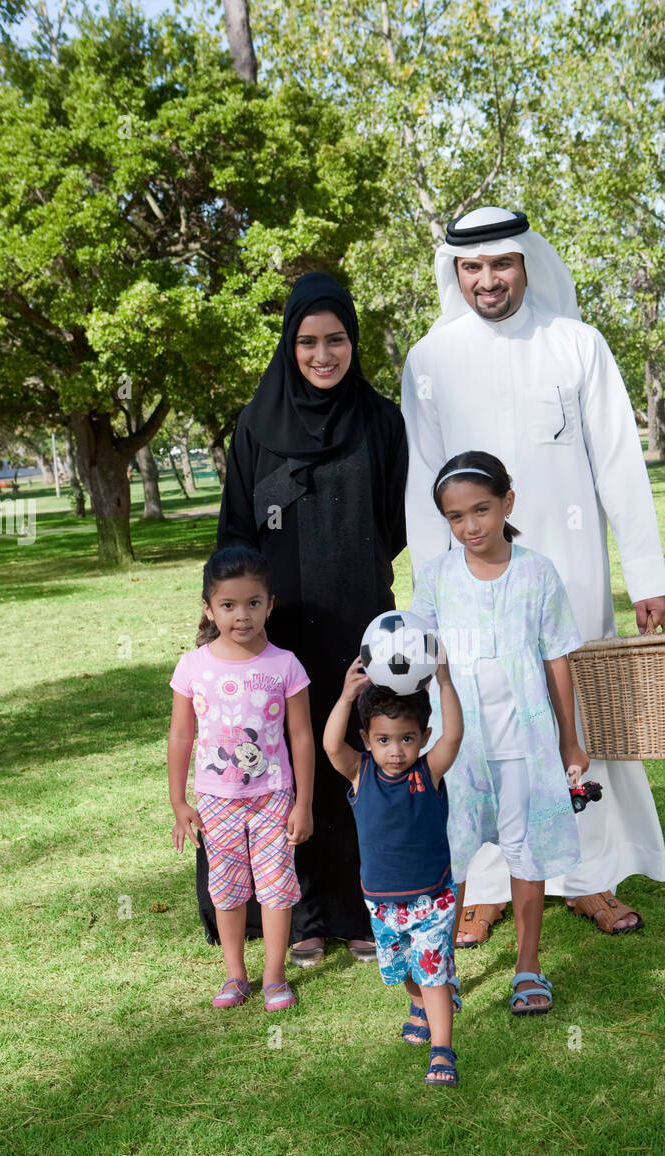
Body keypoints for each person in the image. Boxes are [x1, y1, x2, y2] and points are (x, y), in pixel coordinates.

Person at [402, 206, 665, 941]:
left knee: (576, 715)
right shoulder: (428, 360)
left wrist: (646, 574)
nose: (488, 279)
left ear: (527, 264)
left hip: (571, 571)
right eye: (472, 267)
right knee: (481, 720)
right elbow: (422, 482)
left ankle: (591, 877)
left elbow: (618, 461)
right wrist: (434, 597)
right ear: (455, 273)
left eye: (502, 264)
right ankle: (485, 886)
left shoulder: (577, 345)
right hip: (469, 584)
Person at [213, 271, 408, 966]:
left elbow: (393, 522)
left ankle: (360, 907)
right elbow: (238, 529)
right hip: (280, 627)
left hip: (359, 619)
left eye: (336, 341)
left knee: (355, 753)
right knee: (286, 764)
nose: (323, 356)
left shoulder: (381, 420)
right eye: (307, 343)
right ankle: (300, 916)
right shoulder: (255, 426)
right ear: (288, 346)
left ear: (353, 342)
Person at [409, 453, 589, 1014]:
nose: (471, 526)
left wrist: (569, 740)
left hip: (524, 748)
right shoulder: (437, 577)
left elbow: (558, 659)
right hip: (456, 749)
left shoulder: (537, 573)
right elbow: (414, 648)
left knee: (524, 850)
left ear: (507, 503)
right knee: (450, 854)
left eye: (482, 510)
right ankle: (443, 974)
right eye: (456, 517)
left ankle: (528, 966)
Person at [168, 547, 314, 1010]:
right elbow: (180, 736)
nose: (242, 615)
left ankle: (274, 975)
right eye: (228, 606)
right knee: (226, 889)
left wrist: (304, 802)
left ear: (269, 604)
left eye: (253, 603)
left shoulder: (286, 665)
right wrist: (179, 802)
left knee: (276, 886)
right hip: (215, 800)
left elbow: (302, 737)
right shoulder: (193, 667)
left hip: (274, 798)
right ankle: (235, 975)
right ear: (209, 609)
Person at [323, 656, 464, 1086]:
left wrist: (444, 682)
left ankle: (442, 1052)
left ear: (422, 737)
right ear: (367, 739)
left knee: (433, 970)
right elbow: (331, 746)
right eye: (384, 739)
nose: (396, 750)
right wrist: (347, 697)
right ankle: (418, 1004)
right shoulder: (361, 773)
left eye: (406, 739)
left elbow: (454, 734)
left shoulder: (428, 773)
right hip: (382, 905)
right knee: (403, 970)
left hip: (433, 899)